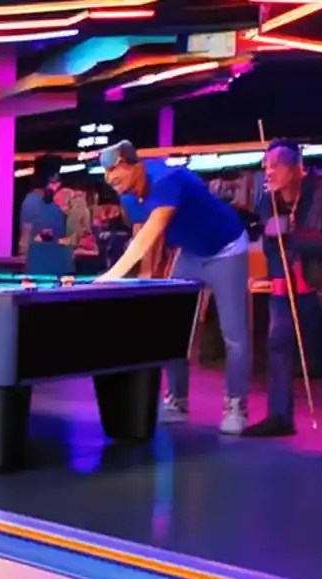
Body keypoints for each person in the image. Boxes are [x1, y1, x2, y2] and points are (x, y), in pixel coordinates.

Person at [96, 139, 251, 434]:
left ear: (133, 164)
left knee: (234, 335)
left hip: (226, 247)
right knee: (175, 327)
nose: (109, 178)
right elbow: (145, 236)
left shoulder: (167, 179)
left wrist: (111, 275)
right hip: (191, 253)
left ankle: (236, 406)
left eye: (113, 169)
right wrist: (145, 276)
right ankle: (177, 401)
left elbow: (152, 230)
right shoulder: (128, 196)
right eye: (105, 173)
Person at [244, 139, 322, 436]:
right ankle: (279, 417)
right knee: (279, 344)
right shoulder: (267, 202)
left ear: (298, 168)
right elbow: (273, 247)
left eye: (276, 166)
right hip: (288, 285)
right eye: (265, 166)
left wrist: (296, 237)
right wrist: (276, 273)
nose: (269, 172)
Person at [18, 154, 67, 256]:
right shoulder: (31, 202)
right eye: (56, 178)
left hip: (57, 259)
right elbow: (25, 240)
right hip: (39, 262)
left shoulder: (58, 203)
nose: (59, 184)